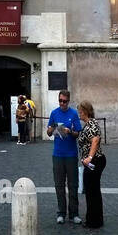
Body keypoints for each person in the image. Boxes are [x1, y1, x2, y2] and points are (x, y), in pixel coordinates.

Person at [47, 90, 82, 224]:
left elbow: (77, 133)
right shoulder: (54, 113)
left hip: (71, 155)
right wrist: (50, 130)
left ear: (68, 101)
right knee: (59, 185)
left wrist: (70, 131)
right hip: (57, 154)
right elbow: (49, 132)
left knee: (73, 185)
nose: (62, 103)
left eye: (64, 101)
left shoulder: (73, 113)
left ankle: (74, 214)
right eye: (60, 101)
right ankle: (61, 212)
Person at [77, 100, 106, 229]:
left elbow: (95, 140)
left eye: (80, 111)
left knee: (91, 191)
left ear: (85, 111)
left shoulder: (92, 124)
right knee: (93, 190)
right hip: (93, 162)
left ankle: (93, 221)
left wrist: (89, 157)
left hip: (94, 162)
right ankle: (96, 220)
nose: (79, 113)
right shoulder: (89, 124)